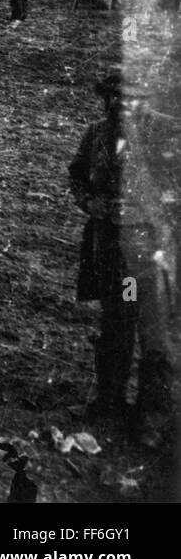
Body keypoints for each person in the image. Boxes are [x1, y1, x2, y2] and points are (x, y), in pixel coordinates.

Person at [68, 68, 174, 441]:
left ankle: (153, 418)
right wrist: (90, 202)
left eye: (131, 98)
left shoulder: (164, 132)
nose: (122, 105)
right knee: (117, 324)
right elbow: (77, 174)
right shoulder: (97, 134)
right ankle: (109, 402)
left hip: (155, 254)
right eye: (114, 98)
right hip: (113, 251)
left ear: (144, 101)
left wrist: (149, 213)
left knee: (155, 336)